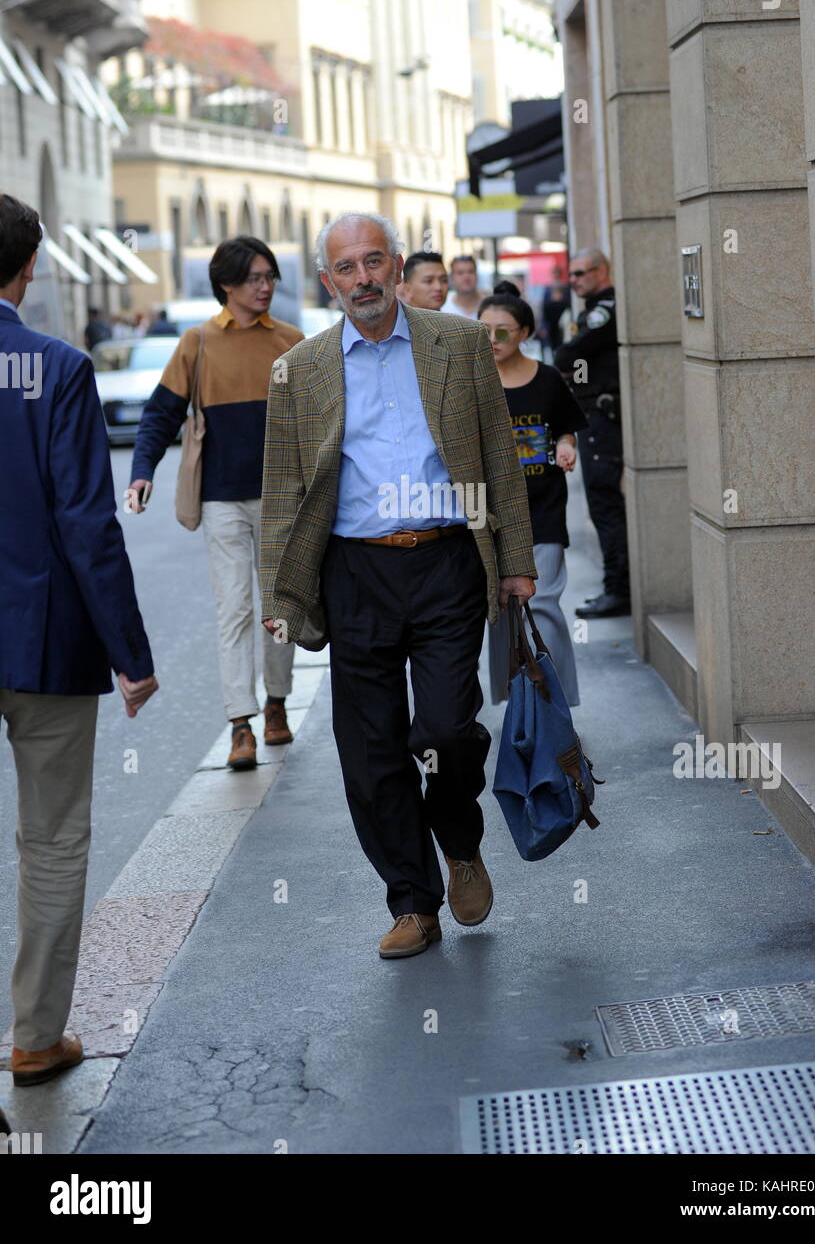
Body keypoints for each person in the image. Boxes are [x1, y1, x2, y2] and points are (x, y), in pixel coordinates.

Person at [259, 212, 536, 961]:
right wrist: (280, 600)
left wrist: (515, 559)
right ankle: (412, 902)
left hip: (446, 561)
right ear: (327, 282)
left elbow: (497, 458)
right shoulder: (302, 368)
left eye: (373, 261)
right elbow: (282, 491)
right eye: (345, 268)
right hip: (354, 573)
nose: (364, 279)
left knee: (446, 728)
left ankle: (460, 841)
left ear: (394, 264)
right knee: (371, 748)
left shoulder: (459, 342)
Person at [0, 194, 157, 1108]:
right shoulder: (53, 368)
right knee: (53, 839)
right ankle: (31, 1038)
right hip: (46, 641)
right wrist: (129, 654)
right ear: (27, 270)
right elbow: (85, 523)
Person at [127, 236, 304, 769]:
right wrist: (141, 474)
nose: (265, 286)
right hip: (222, 499)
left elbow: (323, 420)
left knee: (280, 610)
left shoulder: (292, 341)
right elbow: (159, 416)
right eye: (254, 278)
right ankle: (240, 724)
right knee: (234, 609)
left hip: (281, 501)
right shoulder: (197, 342)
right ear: (226, 285)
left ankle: (276, 704)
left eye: (270, 276)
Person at [479, 282, 584, 706]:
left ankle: (556, 700)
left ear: (524, 332)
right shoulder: (472, 384)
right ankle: (514, 704)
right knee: (500, 613)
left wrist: (566, 444)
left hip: (542, 509)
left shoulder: (548, 380)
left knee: (543, 607)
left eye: (502, 329)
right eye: (483, 329)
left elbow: (566, 427)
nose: (492, 339)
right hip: (487, 517)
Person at [554, 248, 630, 618]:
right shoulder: (591, 309)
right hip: (594, 416)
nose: (575, 279)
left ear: (604, 271)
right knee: (602, 503)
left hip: (602, 419)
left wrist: (565, 360)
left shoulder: (606, 308)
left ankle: (618, 590)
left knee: (605, 503)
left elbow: (571, 352)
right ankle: (615, 587)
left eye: (583, 273)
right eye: (572, 274)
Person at [537, 264, 571, 360]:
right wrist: (543, 326)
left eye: (557, 273)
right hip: (551, 325)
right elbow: (543, 309)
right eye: (554, 273)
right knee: (551, 348)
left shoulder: (565, 289)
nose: (555, 275)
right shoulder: (548, 290)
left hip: (562, 324)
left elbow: (568, 305)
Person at [441, 253, 487, 318]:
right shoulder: (443, 305)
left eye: (470, 272)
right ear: (451, 278)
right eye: (460, 273)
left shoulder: (489, 305)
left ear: (477, 275)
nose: (466, 277)